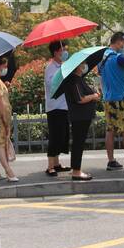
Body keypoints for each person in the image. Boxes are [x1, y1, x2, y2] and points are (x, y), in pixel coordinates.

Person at [99, 32, 124, 171]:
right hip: (120, 98)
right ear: (118, 41)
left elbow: (101, 76)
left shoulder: (102, 60)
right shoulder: (119, 57)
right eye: (123, 42)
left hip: (108, 99)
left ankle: (111, 161)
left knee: (110, 131)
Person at [62, 62, 100, 181]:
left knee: (78, 143)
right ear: (77, 66)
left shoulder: (78, 79)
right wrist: (93, 96)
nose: (84, 65)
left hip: (82, 116)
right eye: (82, 64)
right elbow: (80, 99)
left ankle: (76, 169)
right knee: (78, 143)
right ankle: (76, 171)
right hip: (80, 116)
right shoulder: (74, 80)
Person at [43, 41, 70, 176]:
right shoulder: (50, 67)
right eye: (62, 50)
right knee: (55, 136)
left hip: (64, 106)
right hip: (54, 107)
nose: (64, 52)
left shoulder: (62, 65)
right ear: (55, 52)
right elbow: (51, 83)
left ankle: (57, 163)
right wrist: (62, 70)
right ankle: (50, 166)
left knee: (62, 135)